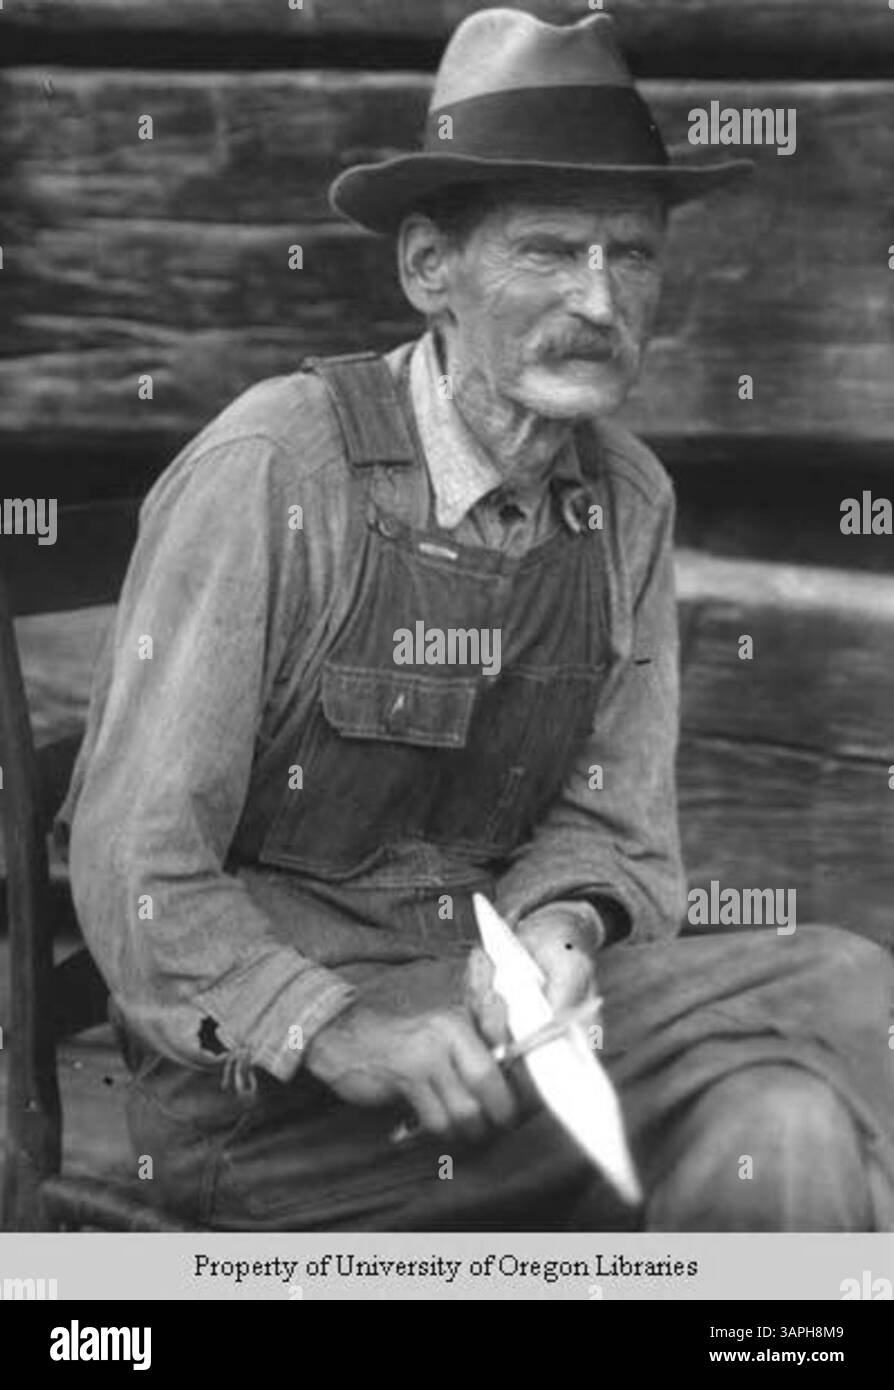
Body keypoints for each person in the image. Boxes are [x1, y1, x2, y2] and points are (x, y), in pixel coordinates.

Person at [60, 9, 894, 1231]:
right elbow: (135, 867)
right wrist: (341, 1031)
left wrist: (561, 927)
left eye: (634, 255)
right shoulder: (277, 470)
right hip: (273, 1109)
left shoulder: (628, 499)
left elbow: (612, 821)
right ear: (428, 270)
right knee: (841, 986)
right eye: (551, 251)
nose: (601, 302)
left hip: (506, 1073)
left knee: (783, 1119)